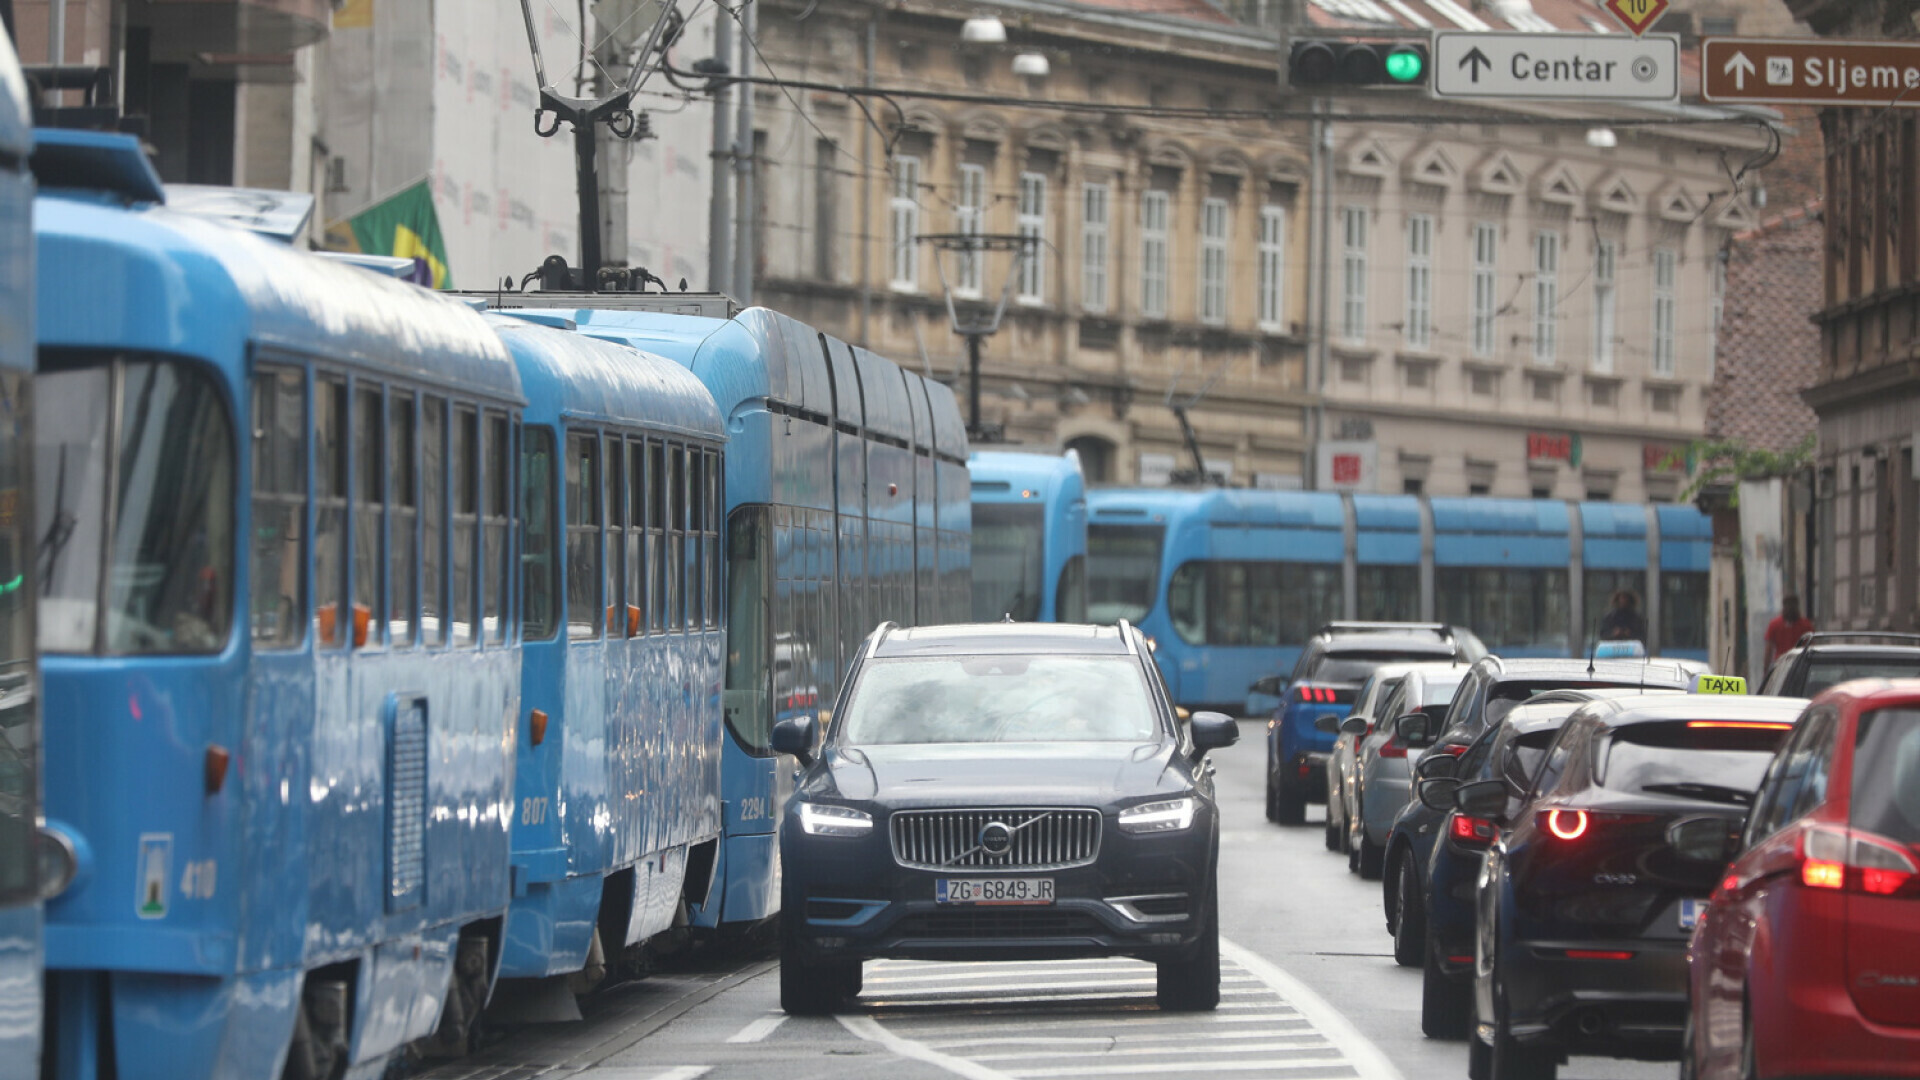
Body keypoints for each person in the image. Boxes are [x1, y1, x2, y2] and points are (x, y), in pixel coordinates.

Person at [1764, 595, 1815, 669]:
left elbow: (1768, 651)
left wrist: (1765, 671)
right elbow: (1812, 646)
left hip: (1782, 664)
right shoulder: (1806, 625)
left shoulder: (1774, 624)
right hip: (1799, 664)